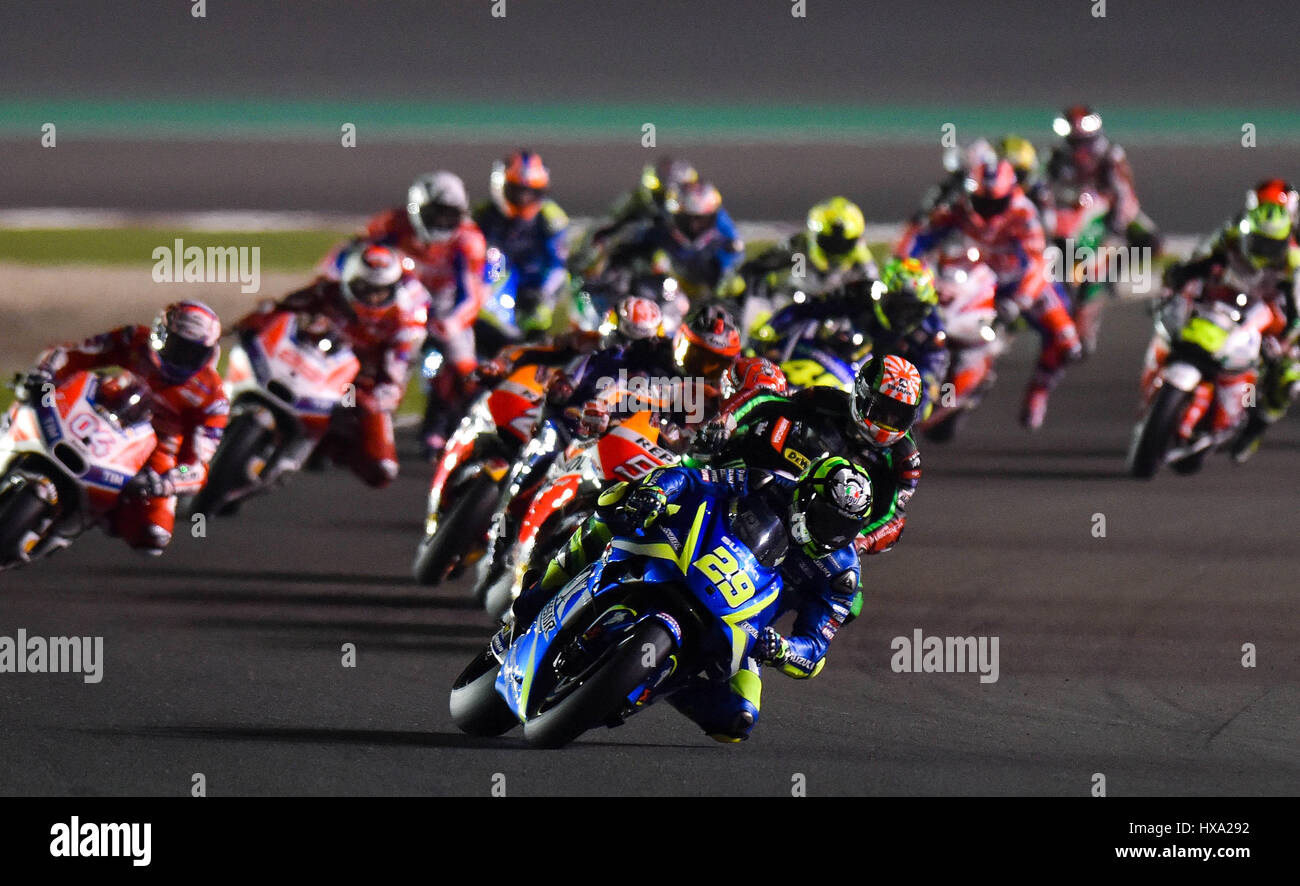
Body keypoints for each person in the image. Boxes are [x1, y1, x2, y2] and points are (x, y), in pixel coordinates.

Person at [509, 455, 871, 741]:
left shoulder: (841, 574)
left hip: (745, 624)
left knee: (739, 719)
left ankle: (650, 683)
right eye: (826, 518)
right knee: (615, 502)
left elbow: (814, 649)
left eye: (845, 528)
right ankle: (541, 591)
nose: (833, 534)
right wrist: (658, 492)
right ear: (805, 497)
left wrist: (783, 650)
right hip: (692, 554)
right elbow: (694, 478)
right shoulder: (766, 483)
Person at [24, 301, 227, 554]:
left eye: (192, 353)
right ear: (161, 335)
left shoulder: (213, 398)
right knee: (35, 395)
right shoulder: (135, 339)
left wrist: (170, 481)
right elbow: (75, 352)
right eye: (177, 347)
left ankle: (74, 524)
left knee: (154, 536)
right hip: (102, 406)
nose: (182, 359)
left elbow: (196, 464)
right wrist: (46, 372)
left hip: (155, 453)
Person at [901, 157, 1081, 429]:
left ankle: (1038, 392)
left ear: (1009, 196)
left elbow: (1037, 263)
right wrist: (904, 265)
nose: (987, 211)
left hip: (1018, 284)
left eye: (995, 204)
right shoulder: (960, 206)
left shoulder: (1024, 214)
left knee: (1067, 341)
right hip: (975, 276)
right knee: (914, 312)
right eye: (981, 202)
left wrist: (1019, 301)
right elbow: (921, 236)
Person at [693, 353, 924, 563]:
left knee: (847, 596)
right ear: (861, 395)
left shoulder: (905, 460)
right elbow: (767, 401)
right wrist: (726, 423)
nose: (888, 422)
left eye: (898, 416)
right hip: (764, 479)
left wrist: (859, 542)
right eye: (881, 410)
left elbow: (895, 519)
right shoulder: (825, 400)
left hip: (818, 536)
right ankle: (688, 467)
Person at [236, 244, 429, 486]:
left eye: (380, 291)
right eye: (365, 288)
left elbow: (395, 375)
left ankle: (329, 448)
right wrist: (253, 321)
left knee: (382, 470)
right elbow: (283, 308)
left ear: (394, 289)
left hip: (358, 385)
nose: (372, 297)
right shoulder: (327, 292)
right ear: (349, 281)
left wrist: (378, 396)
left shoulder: (403, 323)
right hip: (312, 360)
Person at [1161, 179, 1300, 460]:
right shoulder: (1233, 232)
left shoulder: (1294, 259)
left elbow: (1297, 312)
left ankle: (1255, 427)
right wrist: (1182, 276)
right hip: (1230, 297)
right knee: (1175, 312)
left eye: (1270, 246)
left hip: (1273, 312)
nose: (1263, 250)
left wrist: (1284, 342)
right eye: (1258, 243)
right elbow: (1200, 258)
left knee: (1290, 379)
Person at [762, 256, 949, 418]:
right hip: (842, 359)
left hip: (886, 388)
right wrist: (771, 331)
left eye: (913, 310)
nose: (903, 315)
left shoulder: (932, 336)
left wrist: (894, 416)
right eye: (898, 305)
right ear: (883, 294)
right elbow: (807, 308)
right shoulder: (860, 293)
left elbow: (926, 388)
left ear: (926, 307)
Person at [1042, 105, 1162, 353]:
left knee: (1149, 240)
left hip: (1106, 210)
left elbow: (1123, 193)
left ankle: (1113, 273)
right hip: (1069, 211)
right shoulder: (1056, 156)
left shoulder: (1110, 156)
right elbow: (1042, 185)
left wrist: (1117, 225)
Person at [473, 150, 571, 334]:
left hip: (536, 286)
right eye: (517, 191)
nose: (523, 198)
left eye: (531, 192)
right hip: (495, 284)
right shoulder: (483, 215)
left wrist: (543, 293)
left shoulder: (551, 217)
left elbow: (559, 266)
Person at [606, 180, 744, 298]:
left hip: (704, 300)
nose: (695, 225)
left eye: (701, 220)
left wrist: (724, 280)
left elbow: (733, 265)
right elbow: (624, 252)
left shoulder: (723, 238)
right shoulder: (659, 231)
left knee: (737, 286)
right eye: (689, 218)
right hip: (663, 299)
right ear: (678, 215)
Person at [741, 196, 879, 306]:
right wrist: (751, 273)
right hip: (795, 306)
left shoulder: (861, 256)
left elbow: (873, 282)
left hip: (837, 314)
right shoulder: (799, 244)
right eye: (830, 241)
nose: (837, 247)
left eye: (844, 242)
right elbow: (763, 262)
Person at [588, 157, 700, 247]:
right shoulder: (648, 192)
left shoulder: (689, 197)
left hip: (671, 234)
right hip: (645, 225)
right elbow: (625, 216)